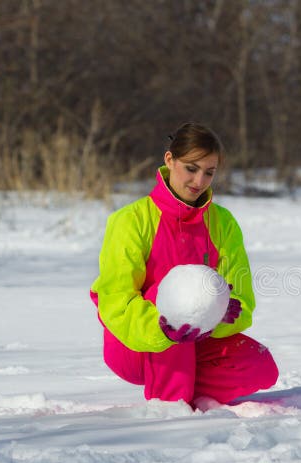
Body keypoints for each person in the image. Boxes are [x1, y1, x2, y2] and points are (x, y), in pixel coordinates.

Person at [90, 122, 278, 407]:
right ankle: (170, 408)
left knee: (260, 365)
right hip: (133, 342)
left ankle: (184, 387)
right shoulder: (131, 220)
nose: (199, 181)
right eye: (191, 168)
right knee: (177, 297)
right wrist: (161, 329)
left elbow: (243, 298)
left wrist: (223, 311)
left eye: (209, 172)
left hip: (197, 341)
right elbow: (116, 300)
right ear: (170, 160)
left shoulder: (222, 223)